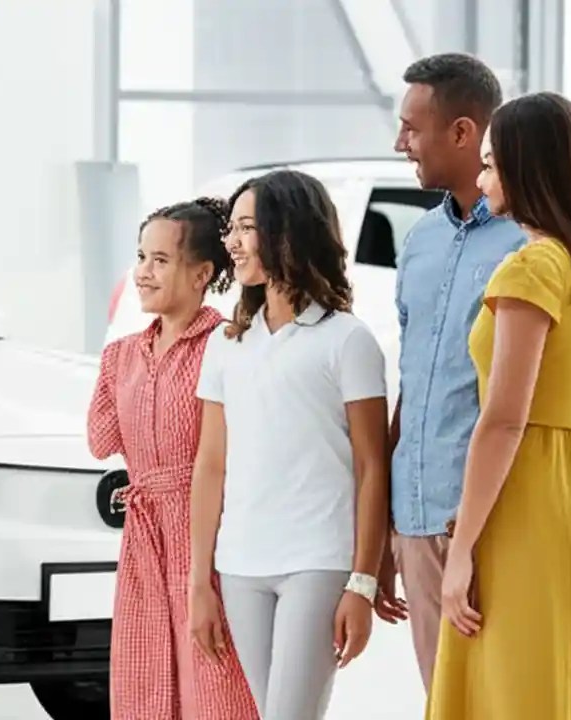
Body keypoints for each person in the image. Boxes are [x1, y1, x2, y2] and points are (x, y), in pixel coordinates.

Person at [378, 53, 571, 691]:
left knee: (497, 697)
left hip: (491, 514)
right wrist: (386, 523)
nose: (400, 141)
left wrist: (496, 513)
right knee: (554, 689)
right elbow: (415, 381)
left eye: (493, 158)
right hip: (446, 508)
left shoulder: (529, 260)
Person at [188, 170, 393, 720]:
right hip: (240, 565)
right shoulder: (226, 344)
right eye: (231, 228)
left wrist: (363, 582)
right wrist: (198, 583)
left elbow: (374, 469)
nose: (231, 242)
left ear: (288, 232)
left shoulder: (348, 341)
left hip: (319, 560)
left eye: (246, 228)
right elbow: (210, 467)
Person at [87, 198, 258, 719]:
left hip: (208, 531)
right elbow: (99, 439)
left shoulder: (228, 344)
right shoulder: (121, 355)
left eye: (160, 260)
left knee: (214, 685)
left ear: (202, 273)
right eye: (141, 257)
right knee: (144, 686)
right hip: (144, 539)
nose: (143, 272)